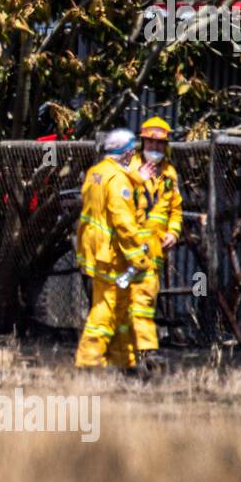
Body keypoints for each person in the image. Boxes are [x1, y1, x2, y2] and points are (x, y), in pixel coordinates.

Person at [75, 129, 154, 370]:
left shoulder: (96, 172)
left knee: (120, 309)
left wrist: (136, 180)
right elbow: (123, 223)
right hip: (111, 255)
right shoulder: (119, 181)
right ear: (127, 152)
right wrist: (139, 258)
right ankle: (88, 362)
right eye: (133, 151)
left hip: (95, 250)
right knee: (106, 310)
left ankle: (125, 363)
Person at [128, 117, 184, 370]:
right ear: (143, 141)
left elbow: (175, 209)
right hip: (129, 247)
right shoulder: (129, 169)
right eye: (152, 142)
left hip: (155, 250)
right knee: (133, 299)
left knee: (146, 300)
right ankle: (138, 350)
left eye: (161, 144)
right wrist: (137, 178)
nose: (156, 148)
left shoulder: (169, 174)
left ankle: (141, 352)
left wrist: (173, 231)